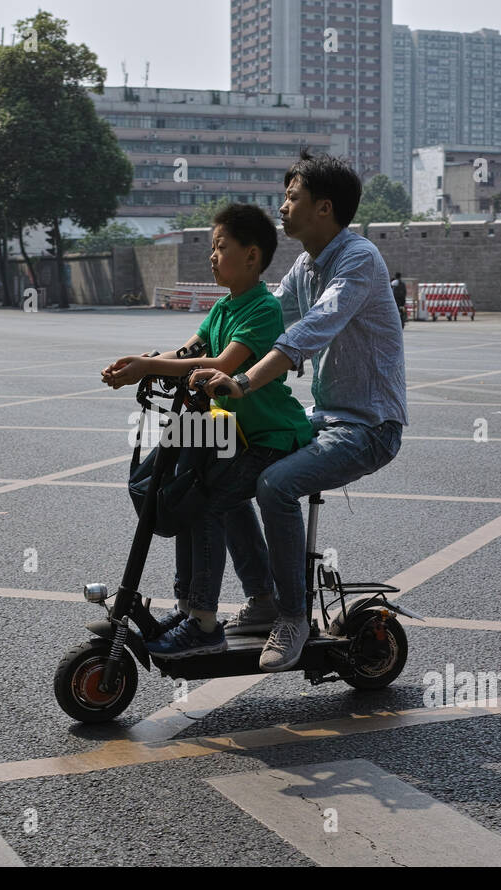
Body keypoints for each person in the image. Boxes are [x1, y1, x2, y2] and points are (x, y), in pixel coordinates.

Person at [194, 150, 407, 672]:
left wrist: (242, 381)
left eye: (292, 198)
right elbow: (270, 314)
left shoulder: (358, 259)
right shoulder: (307, 264)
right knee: (221, 474)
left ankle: (293, 615)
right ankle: (262, 598)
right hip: (323, 416)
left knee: (275, 485)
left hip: (369, 426)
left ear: (325, 208)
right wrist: (189, 355)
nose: (282, 208)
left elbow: (307, 332)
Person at [102, 204, 313, 658]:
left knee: (203, 503)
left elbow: (222, 365)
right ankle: (252, 601)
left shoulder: (262, 310)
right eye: (213, 249)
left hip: (270, 438)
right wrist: (139, 365)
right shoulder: (222, 308)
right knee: (194, 492)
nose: (212, 257)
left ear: (252, 256)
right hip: (229, 435)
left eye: (221, 248)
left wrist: (149, 365)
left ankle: (202, 619)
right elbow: (188, 351)